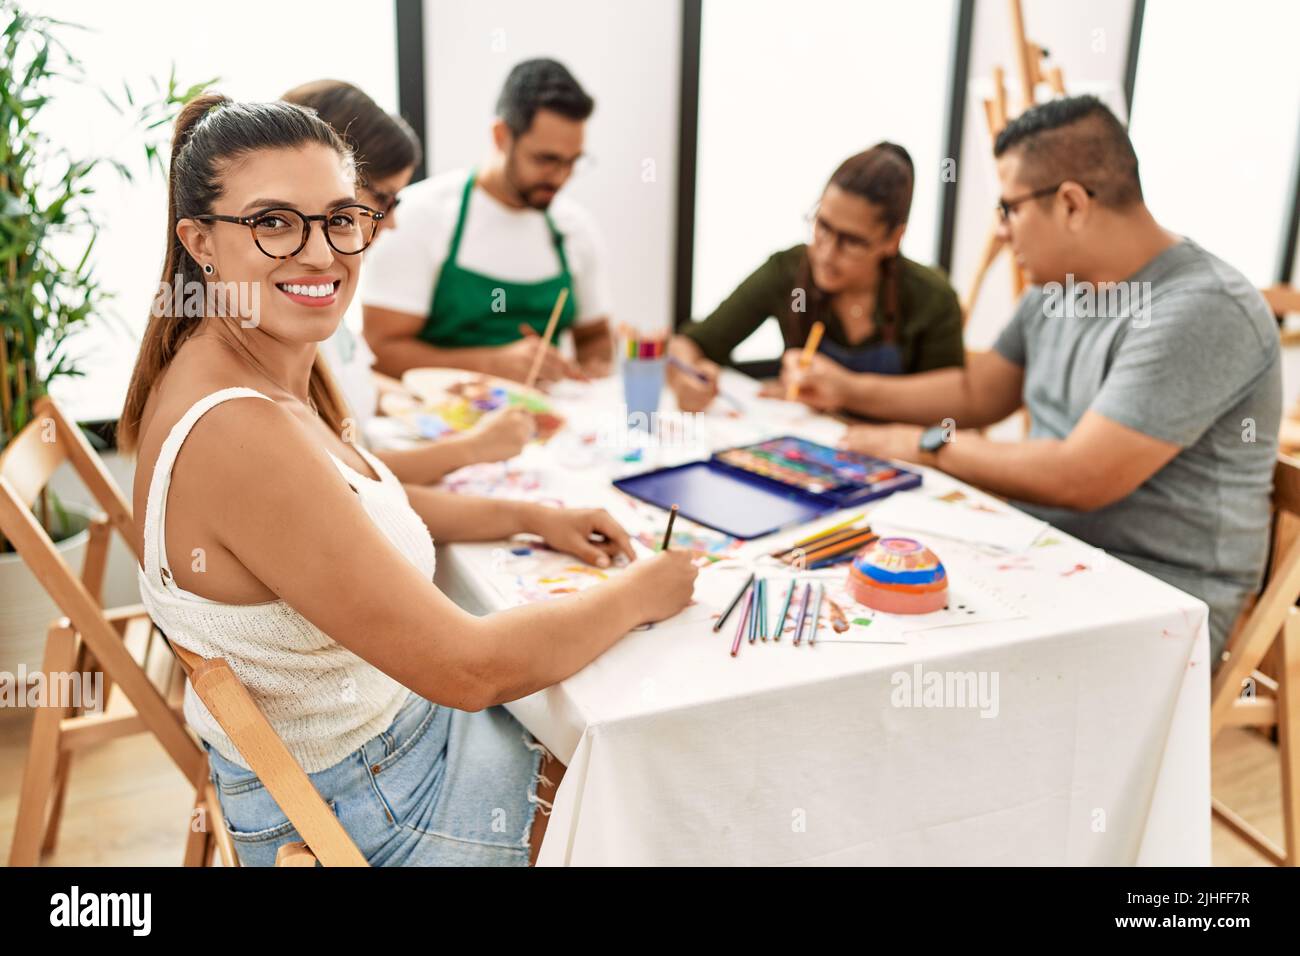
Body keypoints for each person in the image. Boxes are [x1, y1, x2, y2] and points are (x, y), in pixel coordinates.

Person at [119, 94, 697, 866]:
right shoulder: (238, 429)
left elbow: (347, 511)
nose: (320, 254)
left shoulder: (246, 363)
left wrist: (528, 516)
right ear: (200, 242)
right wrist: (639, 592)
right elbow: (470, 668)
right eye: (274, 222)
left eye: (341, 218)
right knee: (659, 790)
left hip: (369, 761)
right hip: (371, 806)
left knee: (618, 736)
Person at [785, 95, 1280, 659]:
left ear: (1070, 203)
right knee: (843, 593)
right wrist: (847, 389)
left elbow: (1081, 476)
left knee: (892, 654)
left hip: (1158, 598)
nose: (1001, 233)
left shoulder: (1202, 308)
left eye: (1009, 209)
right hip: (1041, 551)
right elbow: (977, 392)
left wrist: (926, 445)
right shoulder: (1057, 287)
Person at [283, 79, 534, 484]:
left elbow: (351, 378)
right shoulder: (291, 314)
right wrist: (473, 449)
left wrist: (430, 400)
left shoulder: (324, 298)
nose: (393, 220)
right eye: (386, 200)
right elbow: (346, 482)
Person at [362, 58, 614, 384]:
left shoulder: (576, 229)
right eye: (546, 159)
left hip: (543, 418)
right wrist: (490, 364)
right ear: (501, 136)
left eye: (572, 162)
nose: (561, 177)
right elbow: (381, 351)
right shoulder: (418, 216)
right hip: (441, 423)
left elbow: (595, 338)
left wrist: (592, 373)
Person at [669, 143, 964, 413]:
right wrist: (686, 377)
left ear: (893, 239)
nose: (826, 253)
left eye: (851, 241)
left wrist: (849, 391)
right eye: (822, 226)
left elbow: (955, 400)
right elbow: (689, 343)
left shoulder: (932, 297)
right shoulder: (789, 270)